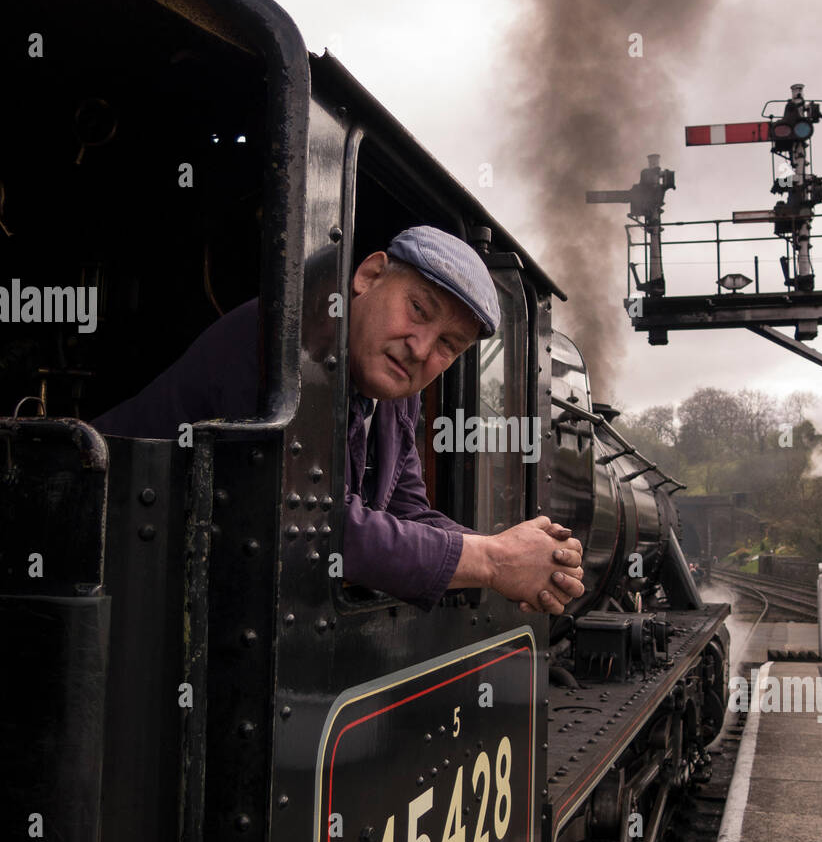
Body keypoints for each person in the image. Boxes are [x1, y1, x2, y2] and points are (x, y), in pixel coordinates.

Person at [93, 226, 584, 615]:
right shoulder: (287, 345)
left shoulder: (395, 397)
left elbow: (407, 510)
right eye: (418, 309)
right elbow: (308, 523)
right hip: (108, 566)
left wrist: (524, 558)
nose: (419, 347)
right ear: (369, 276)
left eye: (447, 346)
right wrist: (495, 562)